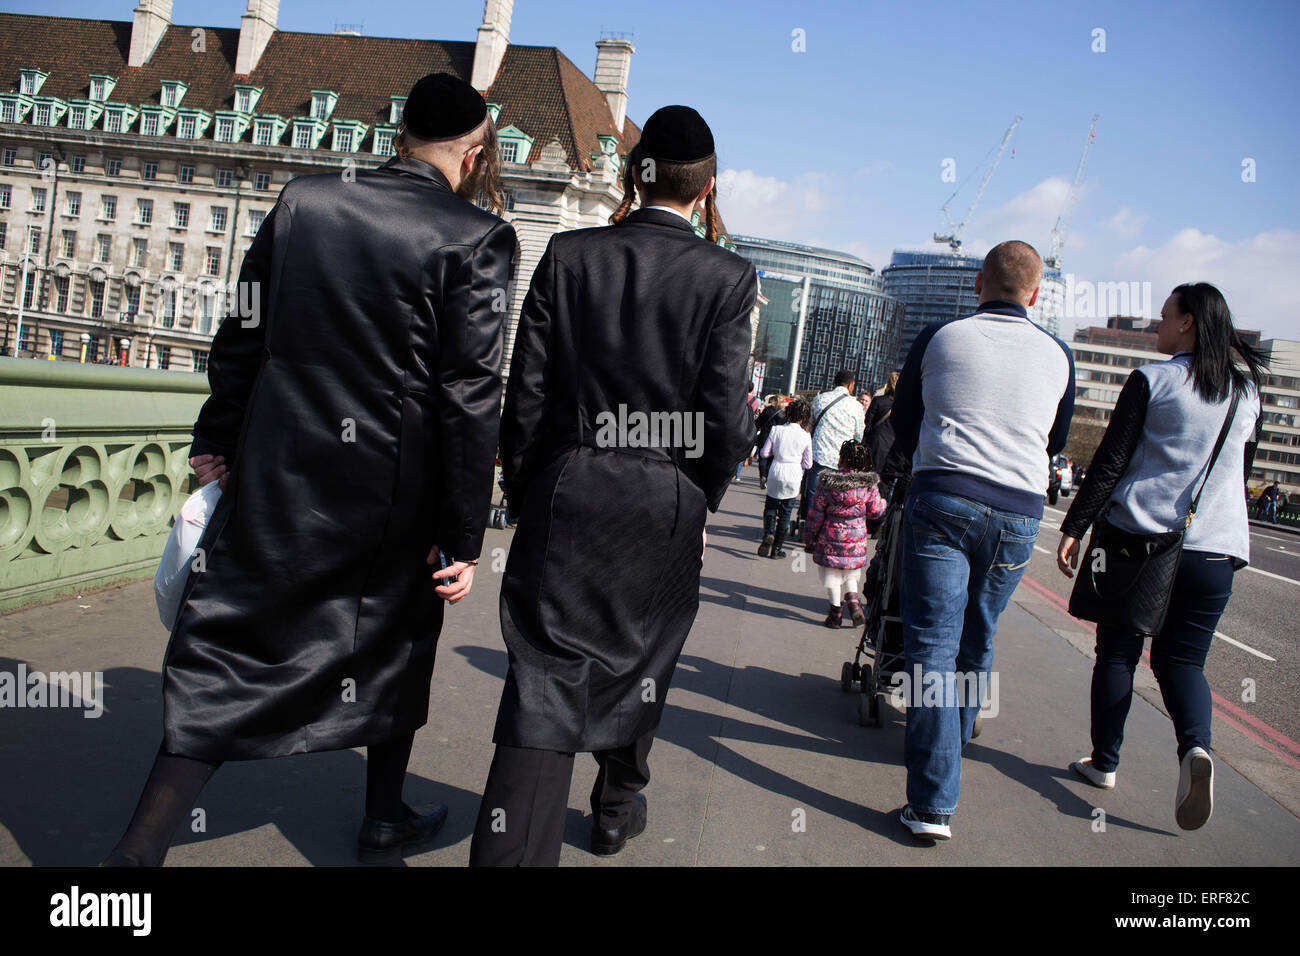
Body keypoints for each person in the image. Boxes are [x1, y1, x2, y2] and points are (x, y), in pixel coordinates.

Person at [102, 73, 514, 866]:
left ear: (400, 132)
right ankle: (383, 816)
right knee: (394, 648)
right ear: (472, 149)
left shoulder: (306, 200)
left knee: (230, 651)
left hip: (279, 473)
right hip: (394, 494)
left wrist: (217, 436)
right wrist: (463, 531)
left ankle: (137, 853)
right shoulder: (476, 235)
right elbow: (469, 395)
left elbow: (245, 327)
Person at [469, 105, 756, 866]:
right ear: (708, 187)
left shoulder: (568, 255)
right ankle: (614, 806)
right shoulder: (728, 277)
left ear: (636, 173)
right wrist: (698, 501)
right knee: (646, 656)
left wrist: (533, 492)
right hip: (664, 498)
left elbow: (525, 395)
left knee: (544, 679)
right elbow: (725, 421)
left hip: (572, 482)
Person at [1057, 283, 1266, 831]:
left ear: (1190, 323)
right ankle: (1195, 749)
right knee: (1183, 662)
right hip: (1215, 551)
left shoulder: (1154, 380)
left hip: (1141, 545)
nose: (1157, 326)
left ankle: (1104, 763)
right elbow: (1238, 478)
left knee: (1119, 654)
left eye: (1165, 317)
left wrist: (1075, 525)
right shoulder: (1248, 394)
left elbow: (1110, 461)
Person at [890, 240, 1075, 841]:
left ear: (977, 284)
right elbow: (1054, 439)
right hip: (1019, 512)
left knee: (931, 646)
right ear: (1036, 294)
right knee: (978, 637)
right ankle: (952, 742)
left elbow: (907, 417)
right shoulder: (1059, 356)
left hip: (943, 496)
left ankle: (933, 802)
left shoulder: (942, 337)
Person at [803, 439, 886, 627]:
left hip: (830, 538)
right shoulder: (868, 486)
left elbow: (815, 513)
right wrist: (884, 503)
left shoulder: (828, 483)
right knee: (851, 573)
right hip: (856, 540)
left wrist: (809, 537)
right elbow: (876, 512)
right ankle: (855, 605)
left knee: (832, 576)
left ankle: (835, 614)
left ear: (842, 459)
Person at [804, 370, 866, 521]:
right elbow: (858, 435)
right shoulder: (856, 406)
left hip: (819, 454)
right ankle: (831, 525)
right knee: (837, 497)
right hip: (841, 460)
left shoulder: (820, 399)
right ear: (851, 385)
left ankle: (810, 524)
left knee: (814, 493)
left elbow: (810, 425)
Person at [758, 399, 812, 559]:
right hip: (794, 474)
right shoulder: (805, 436)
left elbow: (764, 453)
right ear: (804, 417)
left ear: (787, 413)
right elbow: (808, 464)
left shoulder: (777, 430)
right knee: (786, 513)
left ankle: (768, 533)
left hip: (776, 471)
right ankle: (776, 550)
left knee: (770, 508)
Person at [864, 370, 903, 501]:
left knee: (868, 481)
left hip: (875, 447)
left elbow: (867, 425)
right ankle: (878, 512)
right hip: (893, 450)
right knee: (884, 486)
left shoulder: (878, 401)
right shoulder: (903, 406)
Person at [754, 396, 785, 490]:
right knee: (771, 459)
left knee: (762, 458)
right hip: (775, 438)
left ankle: (762, 476)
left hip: (764, 436)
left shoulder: (767, 410)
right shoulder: (782, 414)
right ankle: (767, 477)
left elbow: (758, 422)